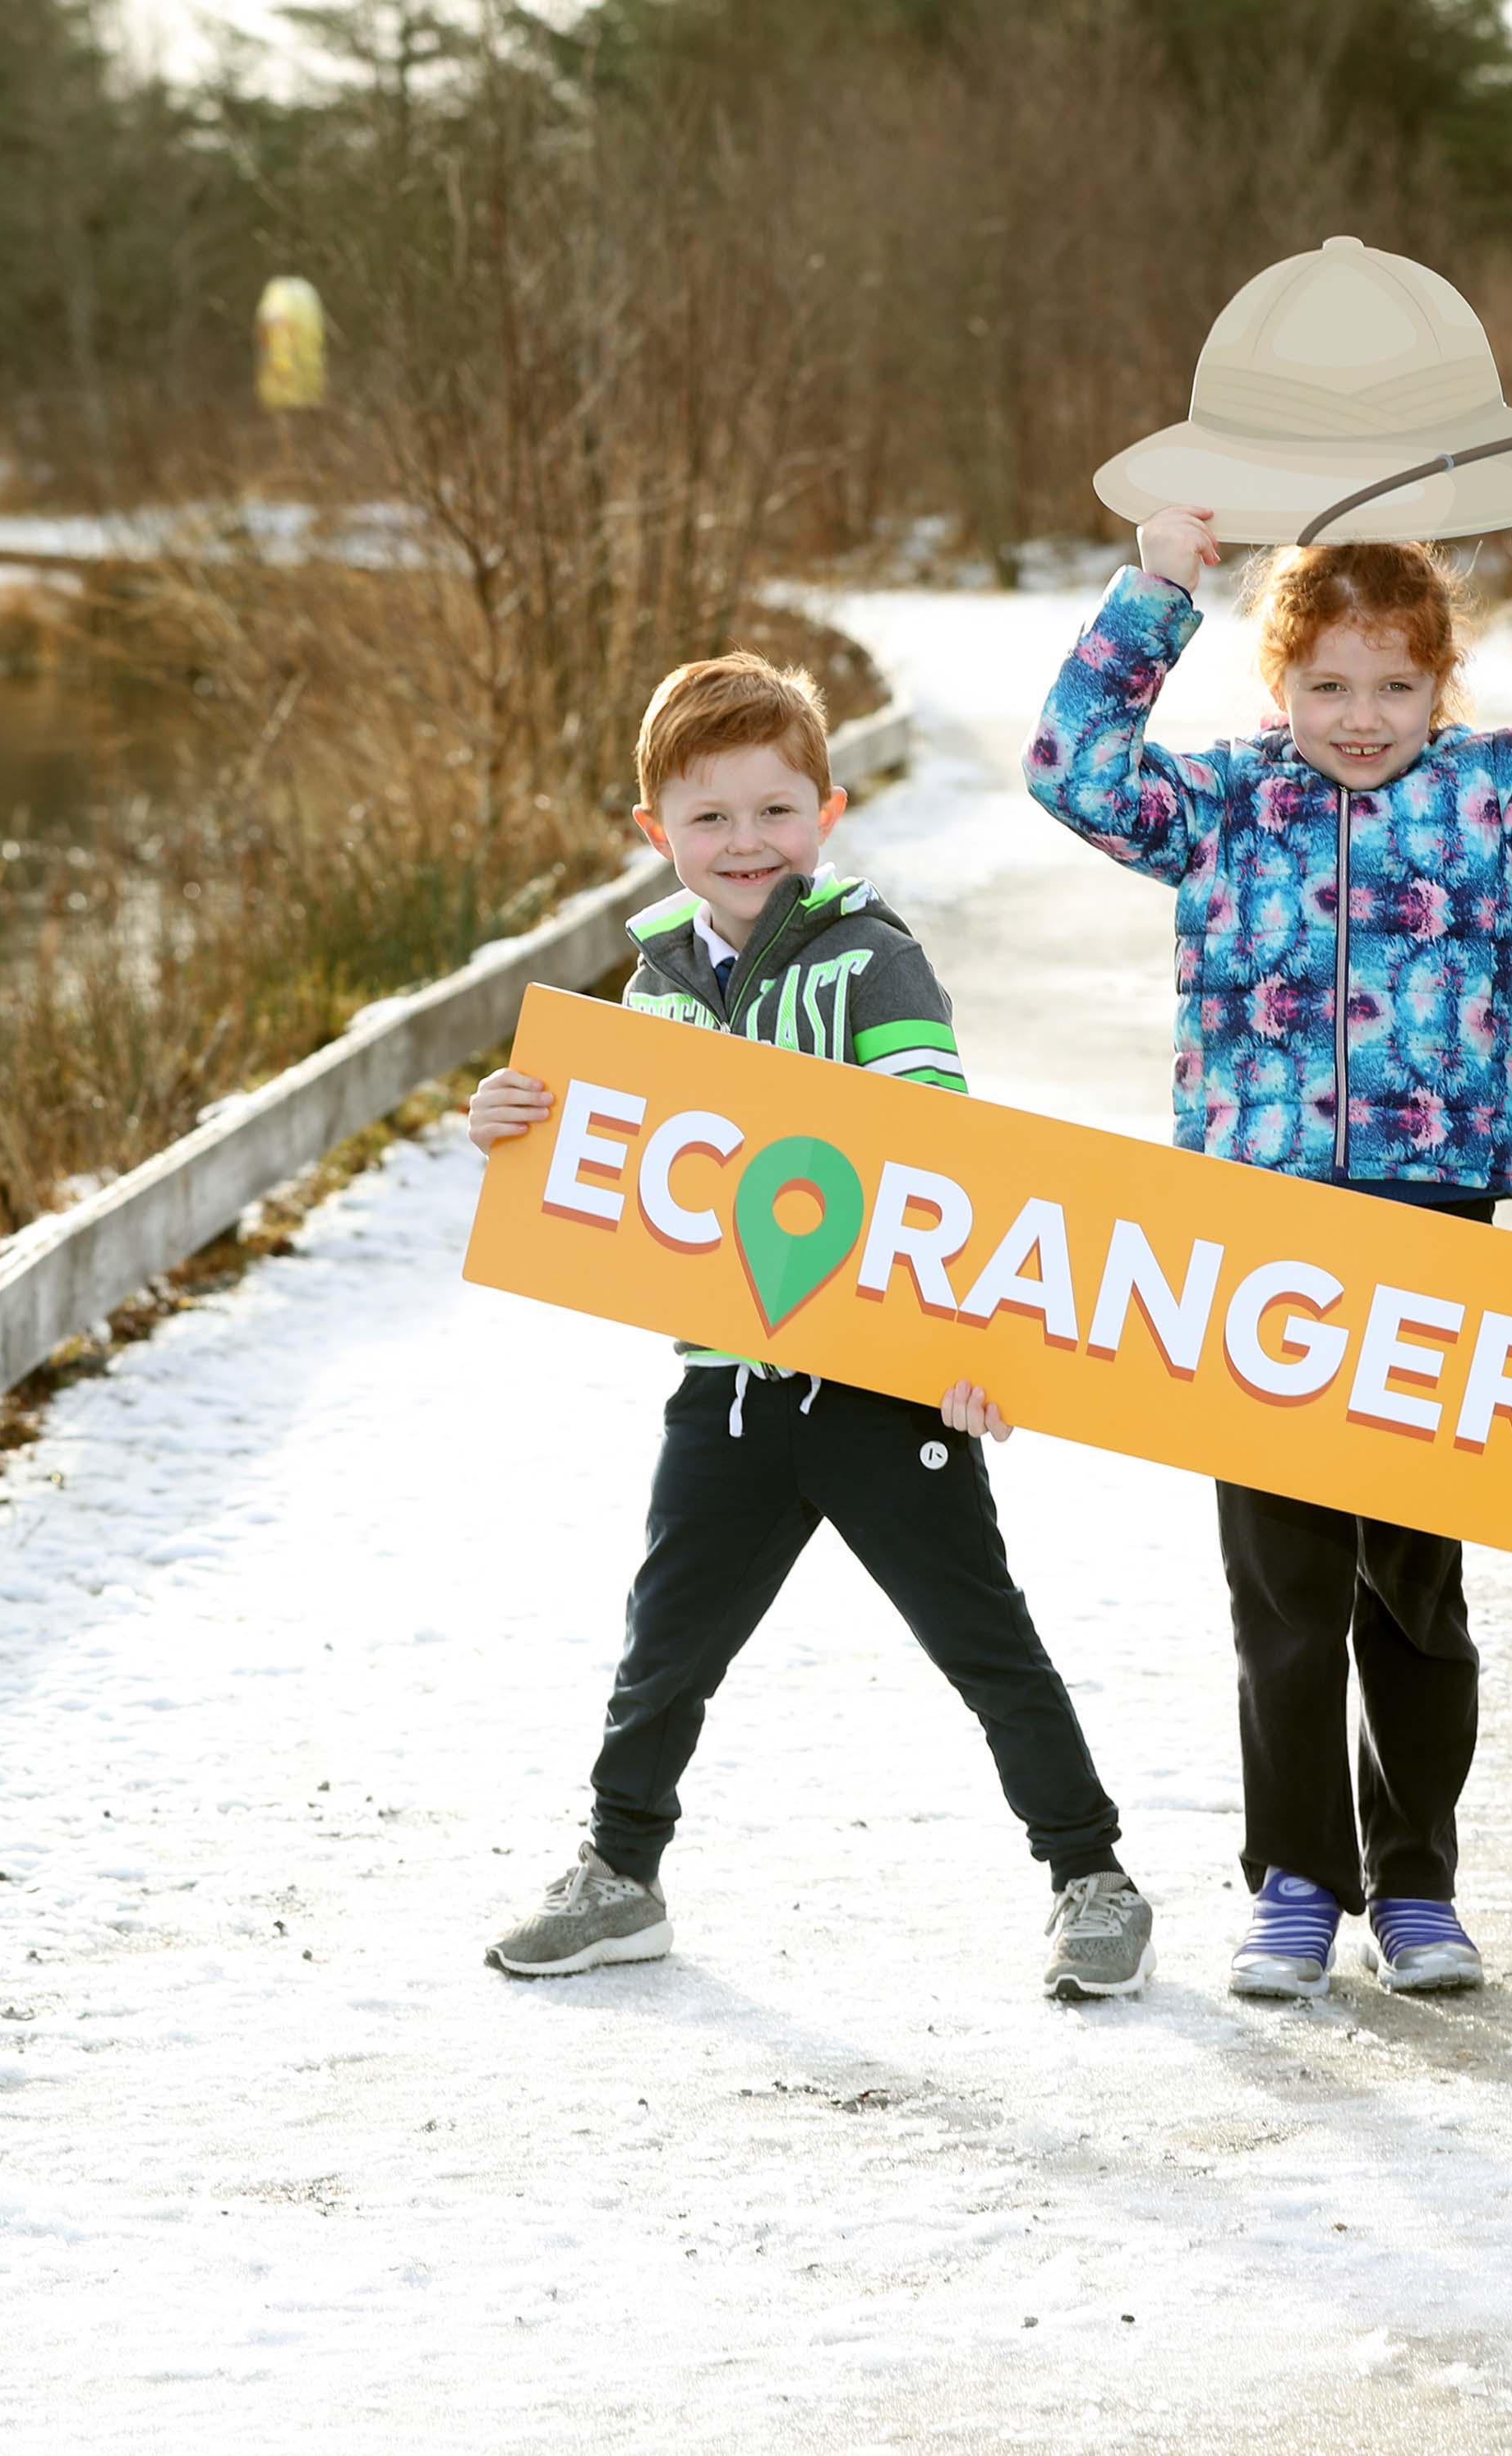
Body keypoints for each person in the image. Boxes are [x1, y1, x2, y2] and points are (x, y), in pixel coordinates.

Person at [1025, 506, 1512, 1999]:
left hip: (1432, 1213)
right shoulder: (1221, 806)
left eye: (1394, 687)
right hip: (1256, 1229)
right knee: (1283, 1594)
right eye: (1327, 687)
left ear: (1442, 684)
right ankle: (1296, 1881)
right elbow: (1068, 767)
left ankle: (1416, 1885)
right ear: (1279, 688)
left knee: (1414, 1584)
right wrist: (1155, 590)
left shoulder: (1494, 797)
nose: (1362, 719)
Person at [468, 651, 1152, 2002]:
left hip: (882, 1389)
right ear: (654, 833)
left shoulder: (871, 965)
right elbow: (627, 1175)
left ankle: (1093, 1876)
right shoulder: (653, 983)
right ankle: (619, 1874)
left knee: (982, 1638)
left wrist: (975, 1350)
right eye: (709, 818)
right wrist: (511, 1129)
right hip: (725, 1390)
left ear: (828, 812)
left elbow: (943, 1173)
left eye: (775, 810)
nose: (745, 843)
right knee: (663, 1646)